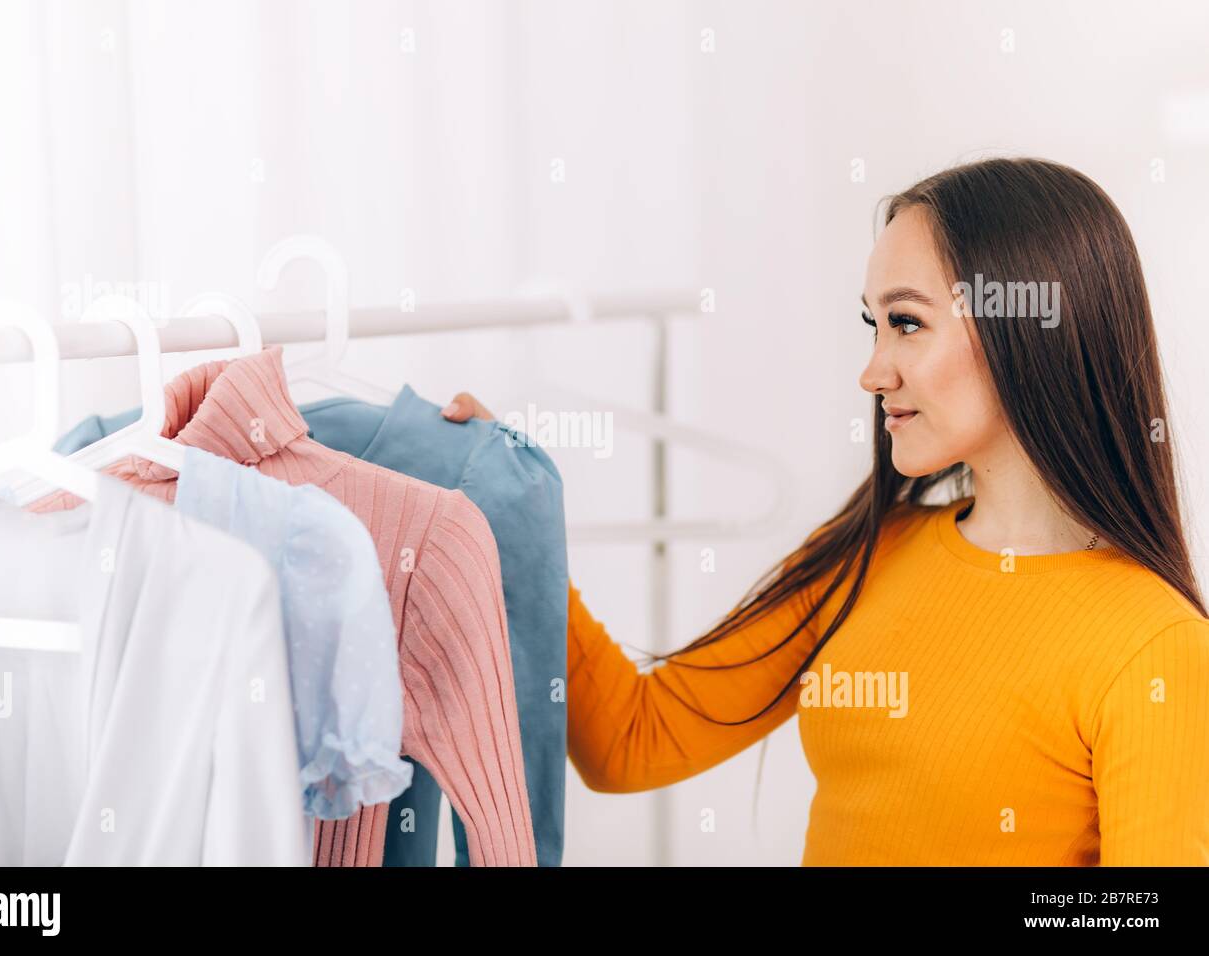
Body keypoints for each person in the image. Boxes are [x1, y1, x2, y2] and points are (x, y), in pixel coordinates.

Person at [441, 157, 1209, 866]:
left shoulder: (1156, 649)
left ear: (1026, 330)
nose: (874, 371)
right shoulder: (872, 554)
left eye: (906, 322)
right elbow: (631, 741)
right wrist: (512, 513)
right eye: (873, 325)